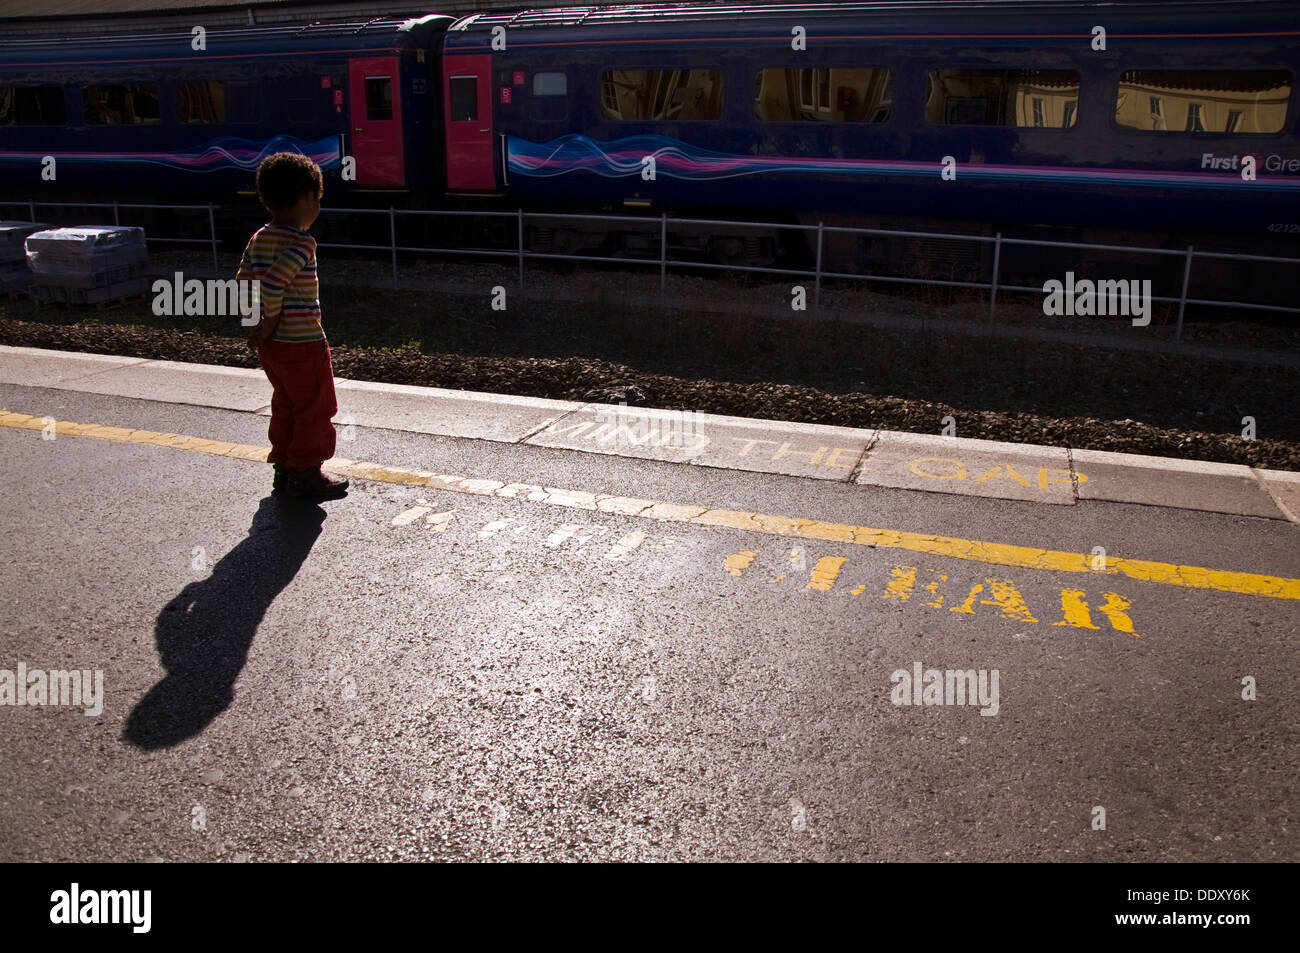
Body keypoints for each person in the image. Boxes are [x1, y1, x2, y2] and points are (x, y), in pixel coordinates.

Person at [238, 152, 348, 500]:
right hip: (302, 344)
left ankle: (284, 469)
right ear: (306, 199)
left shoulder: (259, 238)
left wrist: (254, 323)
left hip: (273, 349)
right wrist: (268, 322)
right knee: (315, 407)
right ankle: (305, 474)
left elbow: (244, 281)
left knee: (286, 403)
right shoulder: (302, 242)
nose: (318, 206)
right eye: (317, 199)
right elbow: (272, 284)